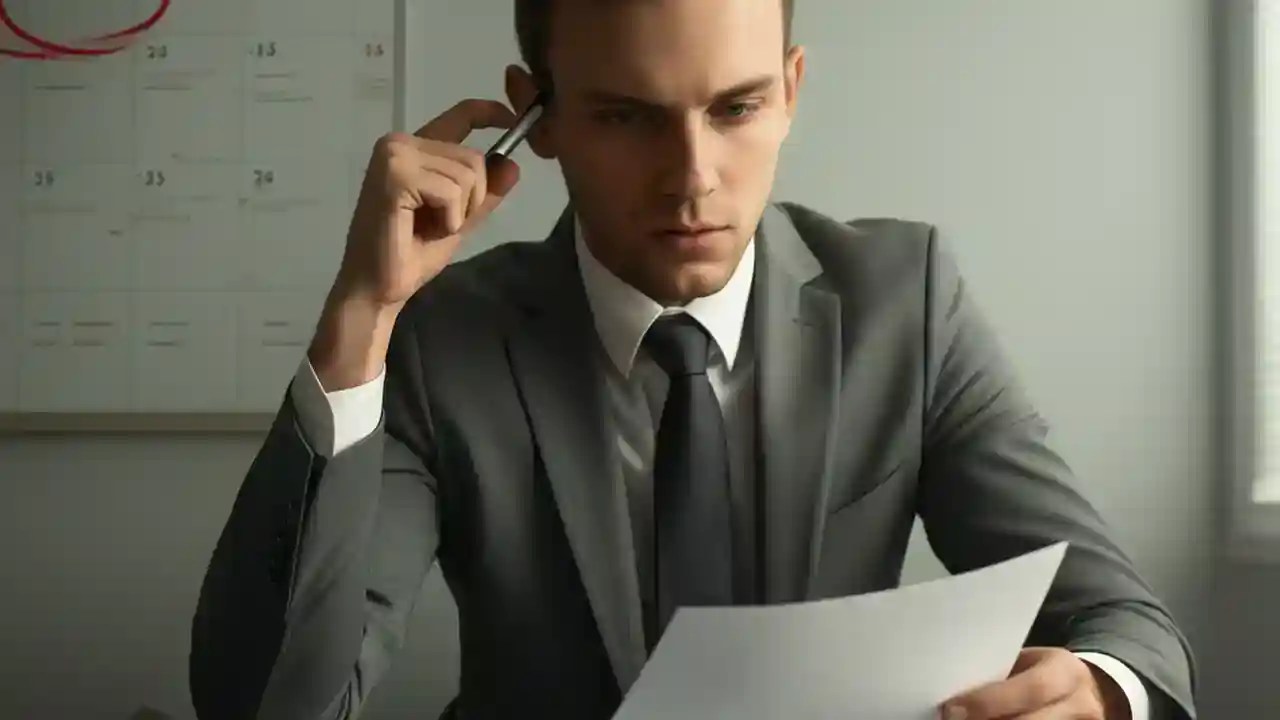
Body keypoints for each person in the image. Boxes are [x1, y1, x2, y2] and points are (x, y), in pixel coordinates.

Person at [188, 0, 1196, 718]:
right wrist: (360, 315)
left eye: (735, 107)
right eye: (627, 117)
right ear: (533, 119)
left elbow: (1121, 622)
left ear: (791, 92)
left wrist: (1101, 693)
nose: (691, 180)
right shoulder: (442, 339)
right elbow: (271, 706)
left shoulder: (906, 301)